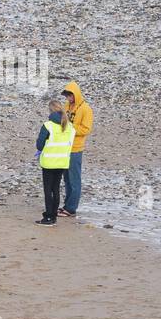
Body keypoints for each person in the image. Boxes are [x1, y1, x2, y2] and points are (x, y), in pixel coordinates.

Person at [35, 96, 76, 225]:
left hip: (49, 161)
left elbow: (39, 145)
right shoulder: (69, 126)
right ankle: (53, 217)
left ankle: (49, 217)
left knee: (48, 190)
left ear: (50, 111)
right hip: (62, 161)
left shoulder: (48, 125)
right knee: (56, 188)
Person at [60, 81, 93, 217]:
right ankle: (67, 205)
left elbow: (86, 129)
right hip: (64, 147)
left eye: (70, 96)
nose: (68, 98)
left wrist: (70, 129)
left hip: (75, 148)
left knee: (74, 179)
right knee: (66, 179)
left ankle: (71, 208)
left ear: (76, 95)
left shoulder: (86, 109)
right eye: (67, 96)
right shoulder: (66, 106)